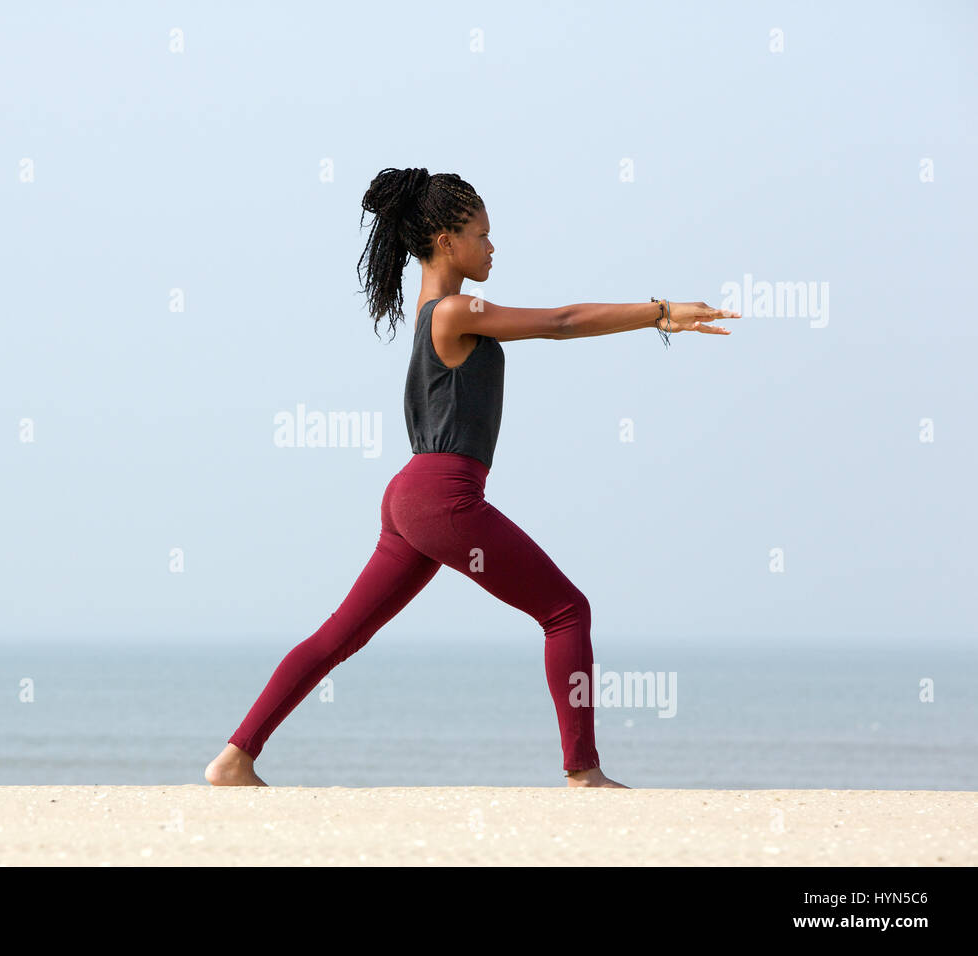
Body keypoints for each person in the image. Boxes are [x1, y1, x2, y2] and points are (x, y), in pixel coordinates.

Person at [205, 167, 739, 789]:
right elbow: (560, 321)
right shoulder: (455, 312)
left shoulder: (435, 313)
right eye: (482, 235)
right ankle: (584, 773)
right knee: (566, 611)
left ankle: (235, 758)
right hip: (442, 497)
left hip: (411, 499)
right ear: (445, 240)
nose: (492, 247)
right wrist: (660, 311)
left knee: (338, 636)